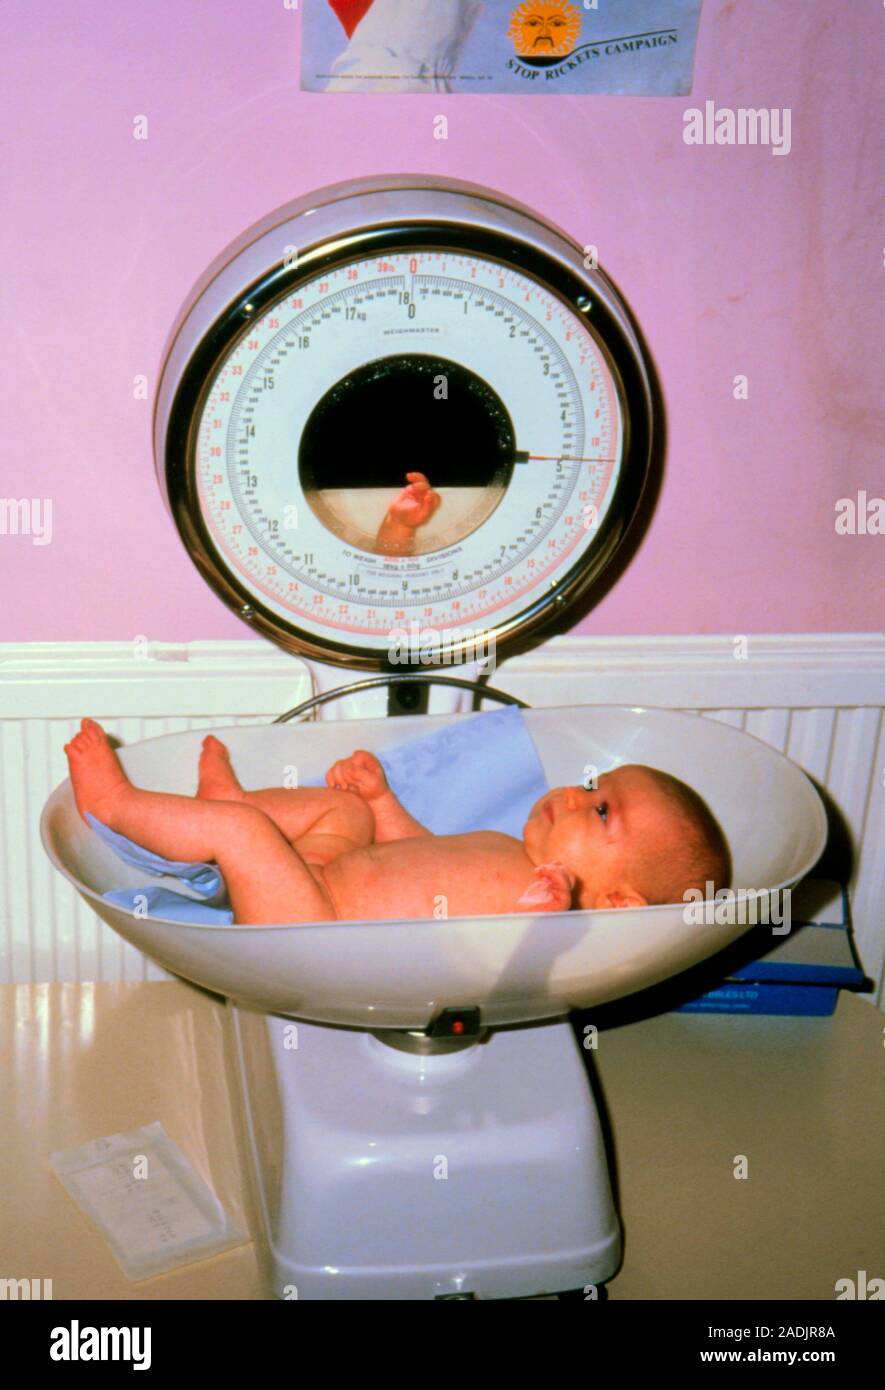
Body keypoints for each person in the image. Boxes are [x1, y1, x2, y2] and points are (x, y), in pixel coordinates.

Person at [64, 719, 730, 926]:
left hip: (310, 925)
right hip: (319, 873)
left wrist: (541, 927)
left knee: (246, 842)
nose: (575, 795)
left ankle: (117, 805)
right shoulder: (507, 849)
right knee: (343, 808)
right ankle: (230, 806)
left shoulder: (549, 918)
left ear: (616, 900)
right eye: (592, 785)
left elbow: (489, 968)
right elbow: (421, 857)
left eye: (602, 811)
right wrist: (381, 804)